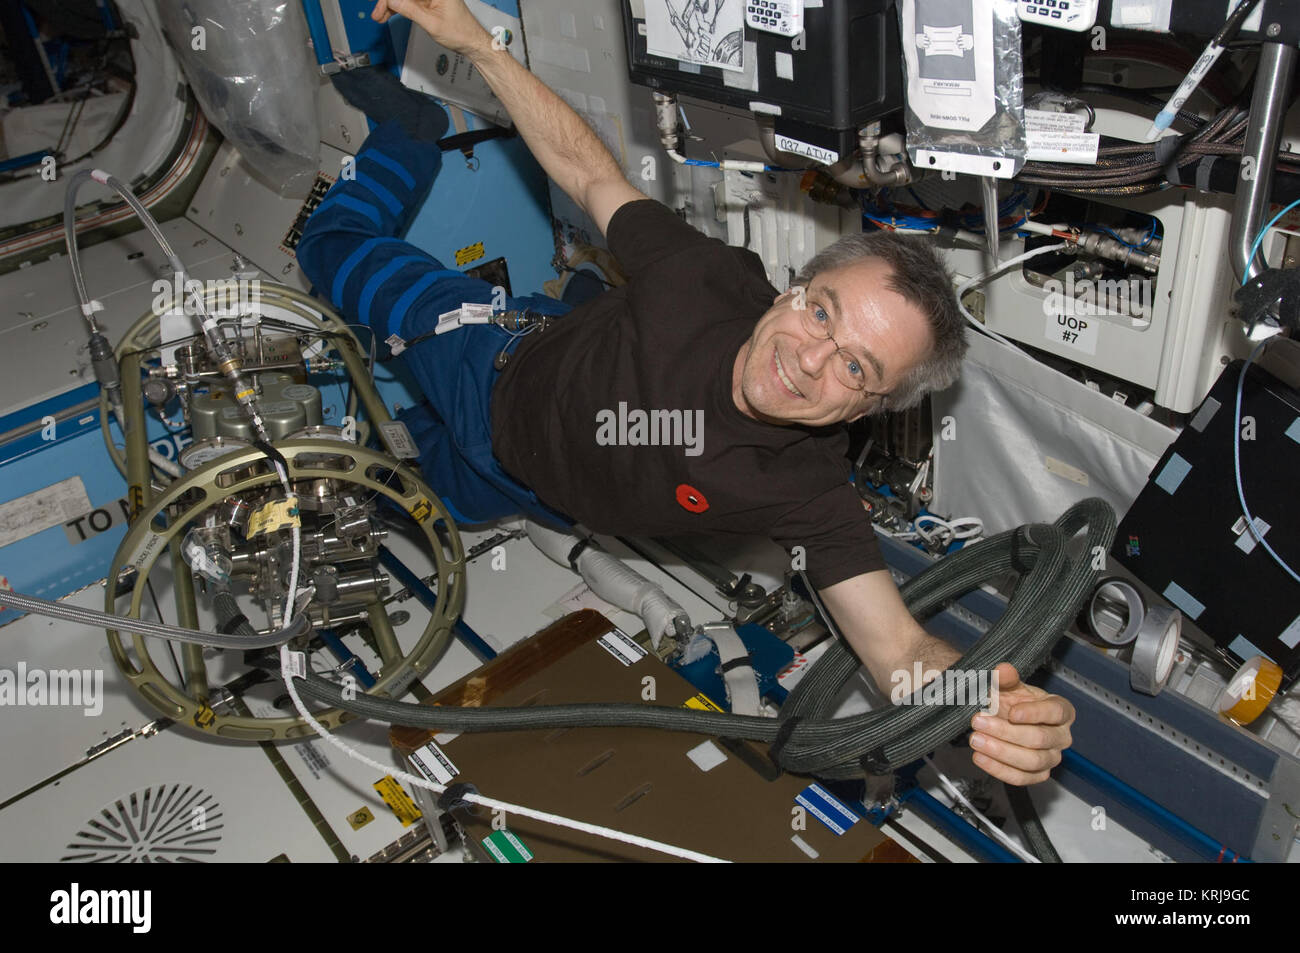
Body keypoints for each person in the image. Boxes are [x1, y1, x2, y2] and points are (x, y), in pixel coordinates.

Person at [296, 0, 1077, 787]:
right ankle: (410, 137)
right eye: (821, 313)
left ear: (868, 409)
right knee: (334, 252)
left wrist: (985, 702)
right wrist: (478, 48)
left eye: (855, 368)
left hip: (513, 484)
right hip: (481, 356)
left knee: (377, 486)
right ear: (790, 291)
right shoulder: (700, 281)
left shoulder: (805, 491)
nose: (809, 359)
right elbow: (588, 171)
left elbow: (899, 653)